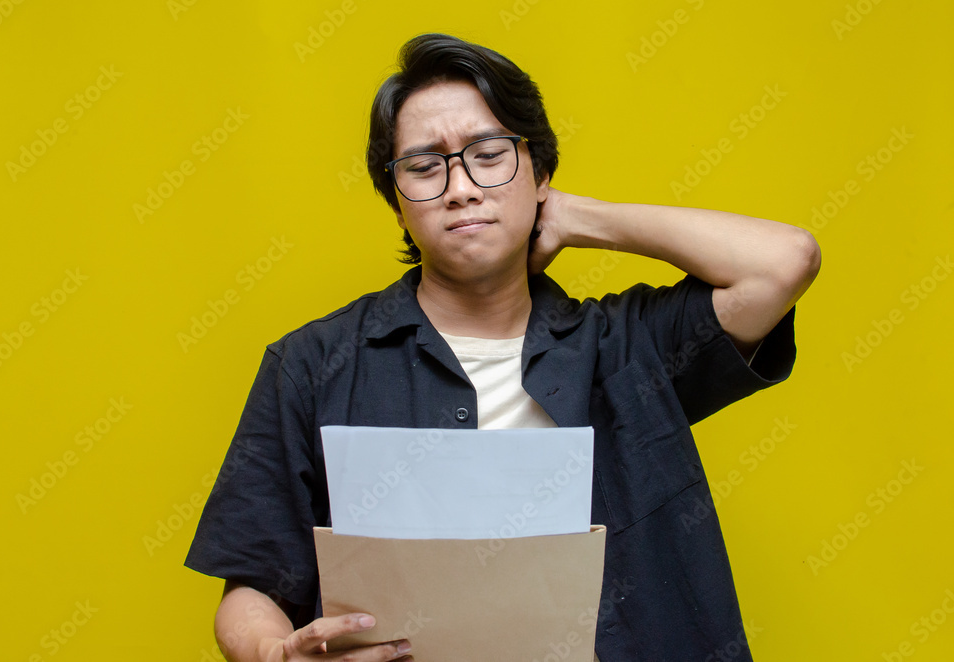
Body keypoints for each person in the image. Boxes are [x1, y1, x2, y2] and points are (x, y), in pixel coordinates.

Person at [185, 33, 821, 661]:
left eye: (489, 155)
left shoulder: (630, 348)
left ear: (538, 170)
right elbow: (251, 588)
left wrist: (579, 218)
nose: (459, 187)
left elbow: (783, 263)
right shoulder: (312, 366)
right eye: (424, 166)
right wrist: (276, 654)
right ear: (398, 201)